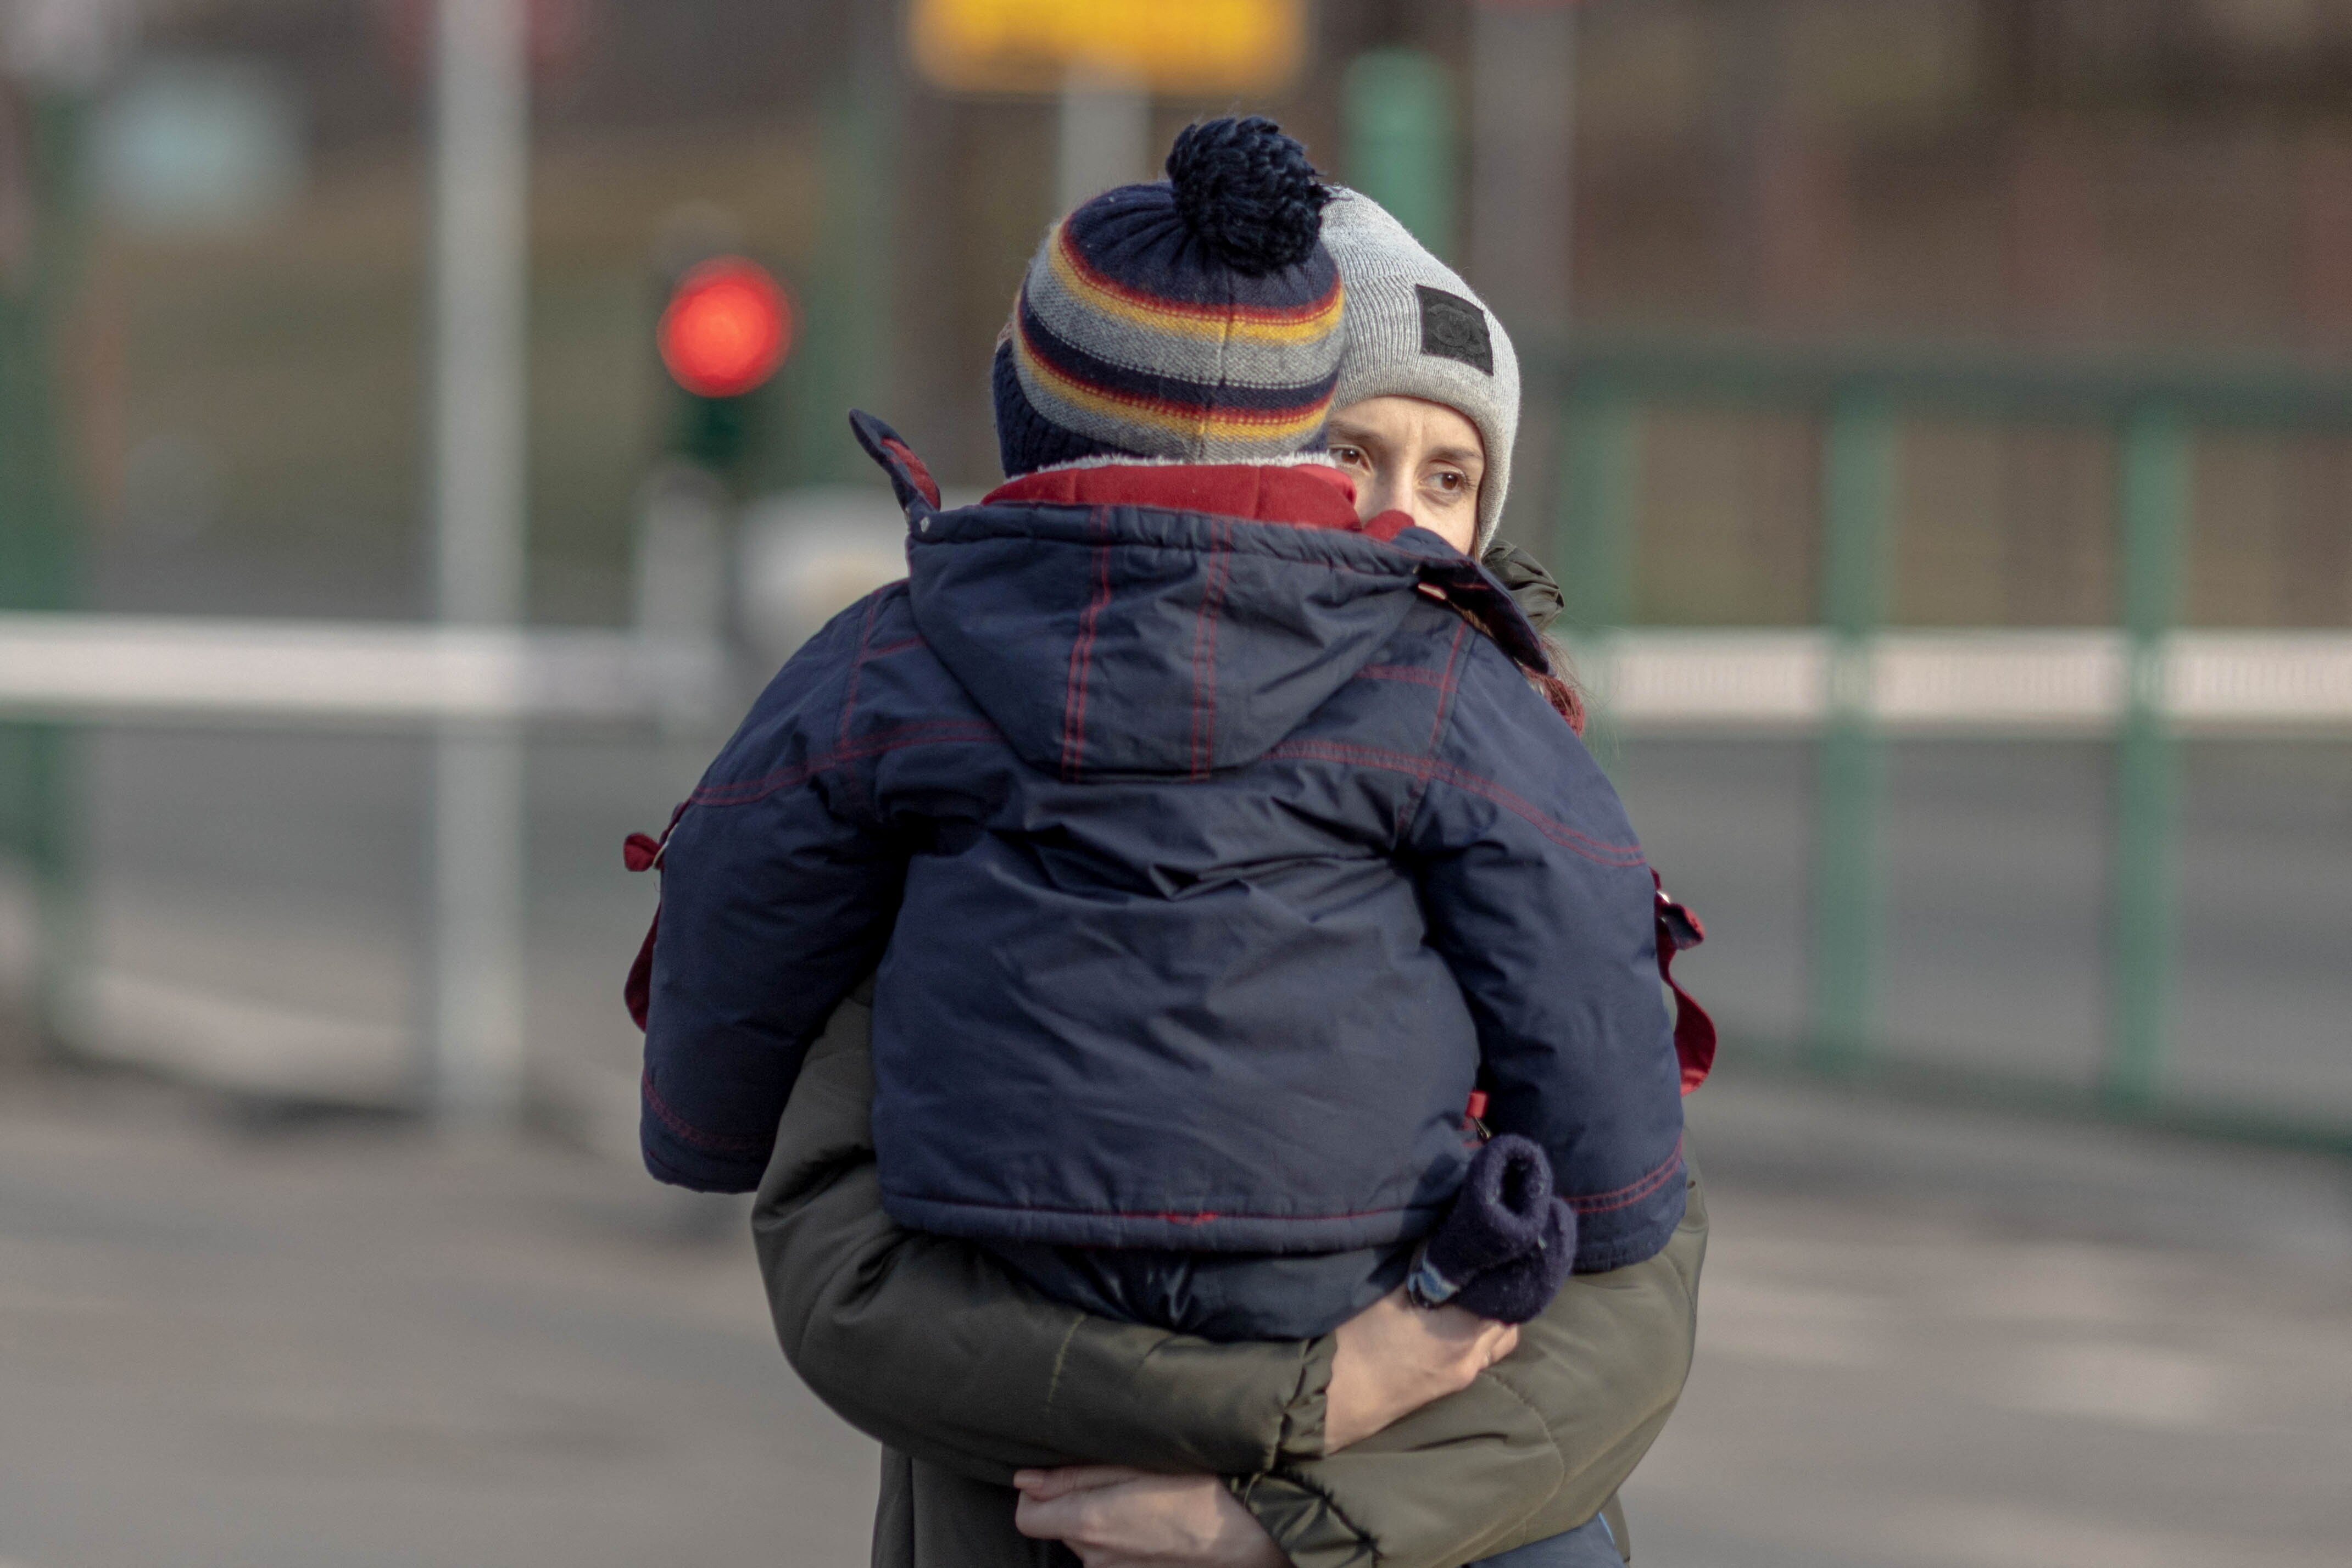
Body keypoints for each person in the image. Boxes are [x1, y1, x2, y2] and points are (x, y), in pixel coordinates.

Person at [627, 140, 1713, 1565]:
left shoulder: (1490, 742)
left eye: (1447, 474)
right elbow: (849, 1282)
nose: (1394, 516)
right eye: (1347, 457)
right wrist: (1306, 1400)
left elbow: (1628, 1303)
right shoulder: (960, 820)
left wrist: (1276, 1525)